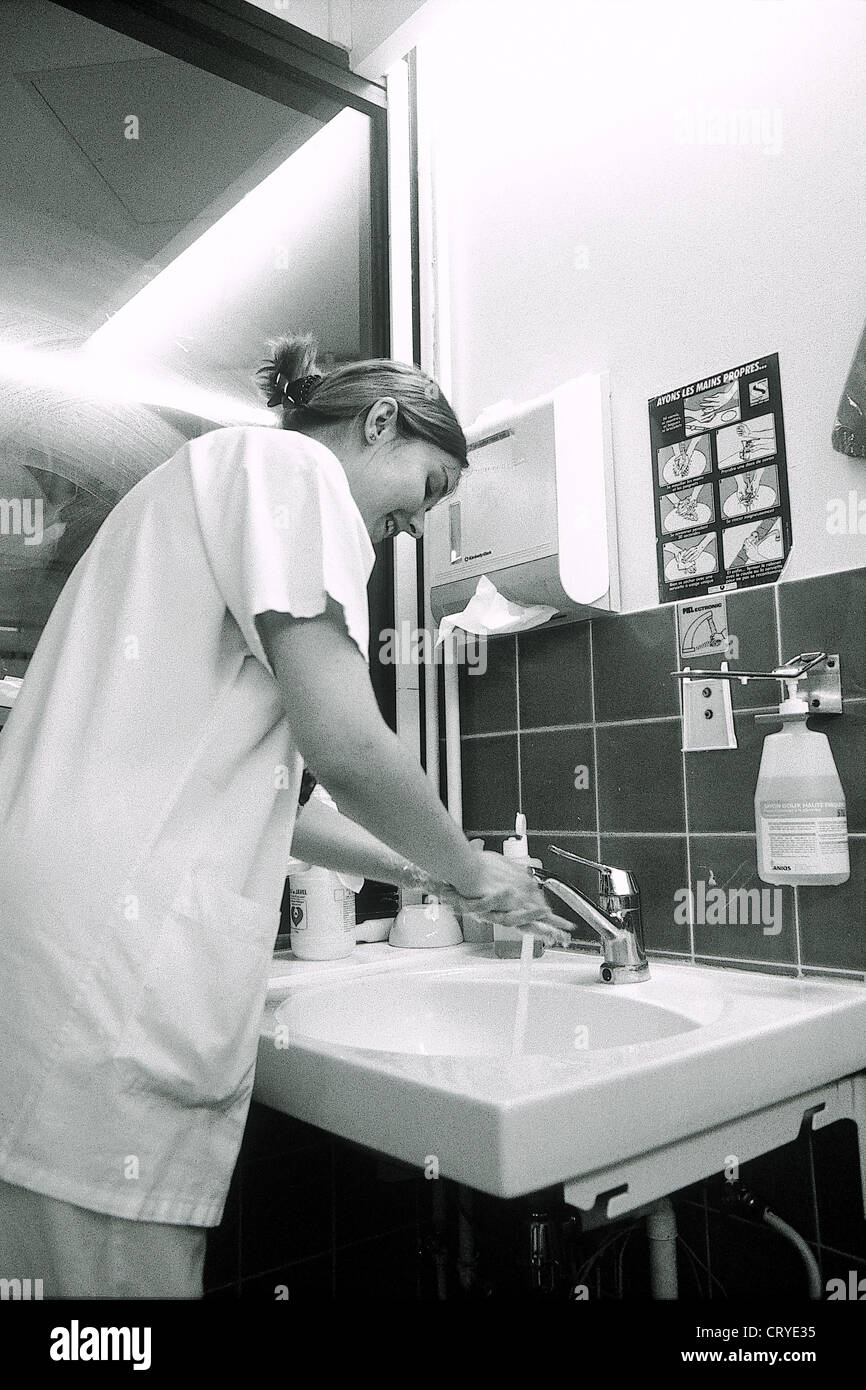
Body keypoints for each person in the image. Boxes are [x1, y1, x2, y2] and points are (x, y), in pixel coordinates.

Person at [0, 333, 563, 1298]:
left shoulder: (196, 490)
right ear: (380, 421)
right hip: (107, 984)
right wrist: (475, 869)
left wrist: (427, 871)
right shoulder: (290, 469)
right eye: (429, 489)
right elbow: (348, 742)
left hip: (52, 962)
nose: (419, 528)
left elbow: (289, 807)